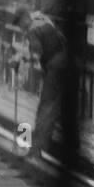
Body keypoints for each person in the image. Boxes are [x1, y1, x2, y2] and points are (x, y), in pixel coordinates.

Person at [17, 9, 69, 158]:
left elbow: (36, 52)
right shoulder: (44, 20)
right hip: (65, 63)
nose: (21, 28)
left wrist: (22, 60)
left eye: (20, 25)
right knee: (54, 107)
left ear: (25, 19)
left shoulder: (32, 31)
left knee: (45, 108)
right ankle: (45, 144)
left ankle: (35, 150)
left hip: (54, 68)